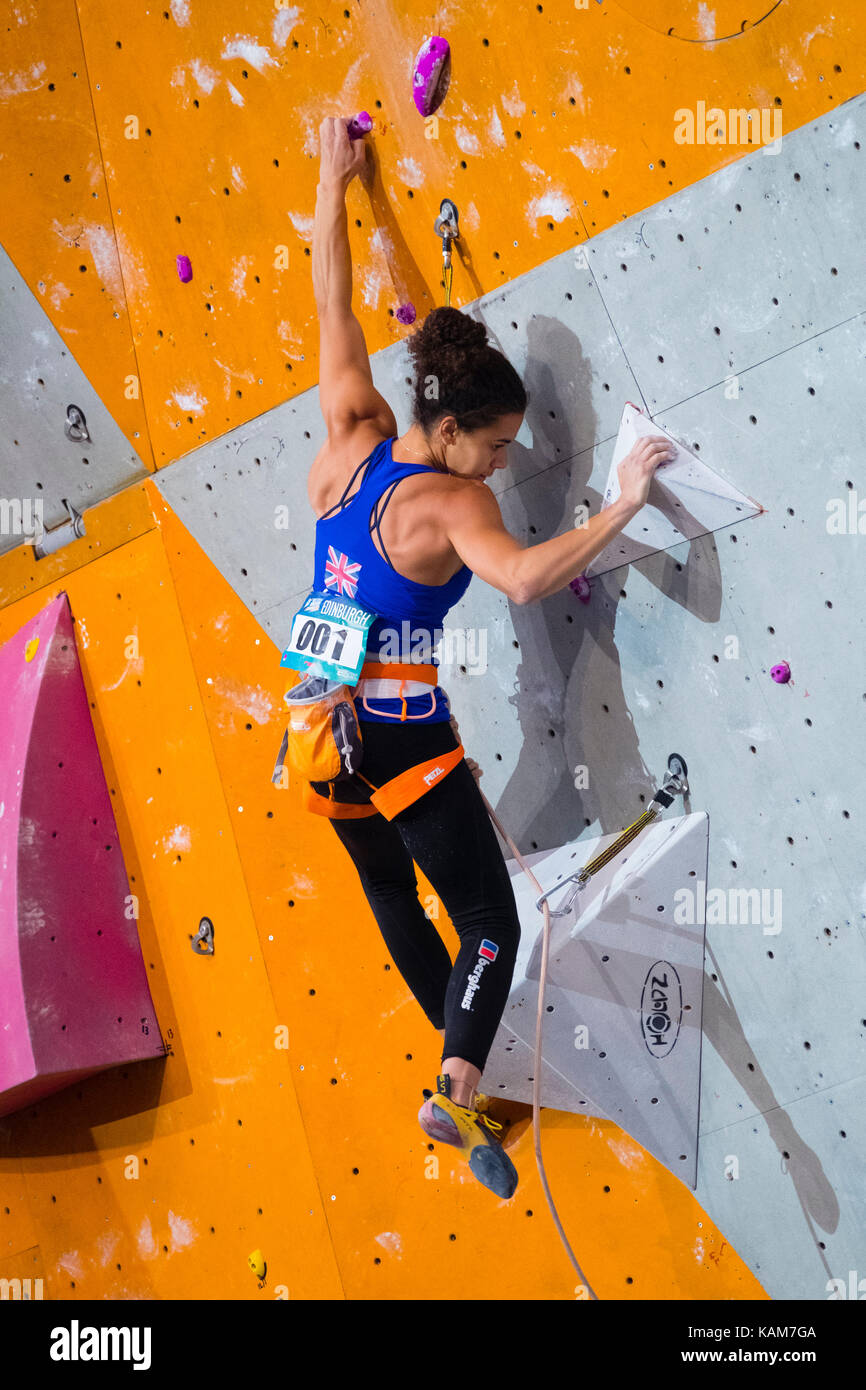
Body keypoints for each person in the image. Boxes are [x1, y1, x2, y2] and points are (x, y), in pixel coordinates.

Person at [306, 117, 676, 1199]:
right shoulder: (451, 503)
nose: (507, 462)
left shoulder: (350, 435)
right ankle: (454, 1086)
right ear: (457, 429)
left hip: (313, 727)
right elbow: (520, 579)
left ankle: (460, 1069)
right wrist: (621, 504)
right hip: (395, 723)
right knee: (487, 921)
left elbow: (330, 305)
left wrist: (335, 186)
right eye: (502, 443)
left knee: (393, 902)